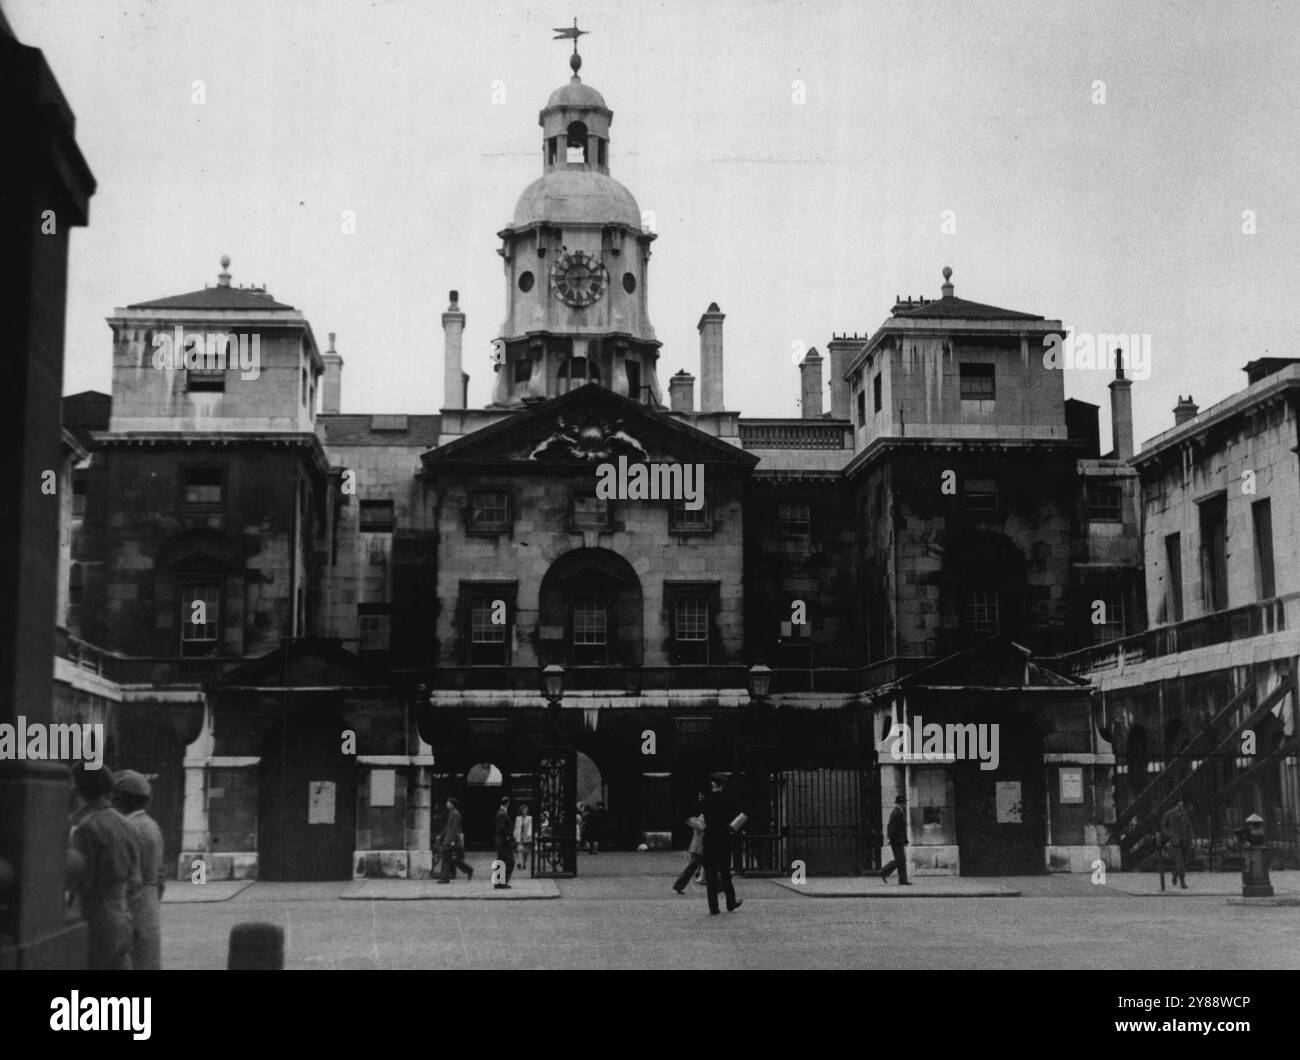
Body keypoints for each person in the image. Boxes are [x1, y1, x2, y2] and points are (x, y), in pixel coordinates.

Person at [70, 765, 141, 969]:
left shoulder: (86, 827)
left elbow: (84, 881)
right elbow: (136, 879)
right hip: (123, 911)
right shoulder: (128, 824)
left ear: (79, 788)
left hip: (96, 913)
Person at [113, 770, 165, 970]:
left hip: (134, 903)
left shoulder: (129, 827)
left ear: (124, 799)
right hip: (149, 901)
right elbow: (160, 876)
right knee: (148, 959)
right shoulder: (152, 825)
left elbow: (128, 875)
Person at [700, 772, 744, 914]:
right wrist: (732, 828)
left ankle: (714, 908)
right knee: (725, 873)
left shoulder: (705, 801)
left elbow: (698, 819)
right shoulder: (729, 800)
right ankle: (730, 903)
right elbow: (742, 815)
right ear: (723, 785)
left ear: (713, 784)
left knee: (711, 875)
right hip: (724, 838)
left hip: (709, 838)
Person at [673, 796, 707, 894]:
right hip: (699, 847)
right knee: (694, 867)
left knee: (698, 867)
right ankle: (678, 885)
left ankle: (679, 886)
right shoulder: (702, 817)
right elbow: (702, 827)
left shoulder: (697, 817)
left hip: (698, 847)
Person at [436, 797, 473, 884]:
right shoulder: (452, 813)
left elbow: (455, 829)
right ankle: (468, 870)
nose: (447, 804)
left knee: (448, 858)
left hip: (452, 841)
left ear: (452, 805)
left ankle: (445, 878)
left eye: (448, 803)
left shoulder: (456, 814)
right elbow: (447, 827)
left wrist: (452, 841)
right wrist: (441, 835)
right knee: (452, 859)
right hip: (448, 839)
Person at [1161, 796, 1195, 889]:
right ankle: (1182, 881)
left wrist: (1192, 837)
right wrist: (1170, 834)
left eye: (1182, 805)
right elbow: (1164, 827)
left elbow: (1189, 826)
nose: (1181, 807)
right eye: (1179, 805)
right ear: (1175, 806)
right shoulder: (1168, 814)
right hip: (1175, 841)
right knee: (1179, 862)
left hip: (1185, 841)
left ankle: (1175, 873)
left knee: (1184, 862)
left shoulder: (1185, 814)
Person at [881, 794, 912, 885]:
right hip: (896, 841)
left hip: (898, 840)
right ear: (900, 803)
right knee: (900, 860)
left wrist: (905, 840)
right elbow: (892, 827)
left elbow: (901, 828)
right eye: (904, 803)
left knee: (900, 860)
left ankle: (902, 880)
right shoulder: (896, 813)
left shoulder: (898, 812)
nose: (905, 805)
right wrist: (890, 838)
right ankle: (884, 871)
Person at [493, 796, 515, 889]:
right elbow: (502, 829)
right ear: (507, 803)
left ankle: (498, 882)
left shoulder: (500, 812)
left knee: (501, 861)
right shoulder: (502, 814)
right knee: (509, 861)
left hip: (500, 841)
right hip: (503, 842)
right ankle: (502, 881)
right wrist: (509, 837)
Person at [513, 803, 534, 871]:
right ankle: (519, 863)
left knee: (525, 852)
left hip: (527, 836)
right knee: (519, 850)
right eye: (523, 810)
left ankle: (524, 863)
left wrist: (529, 835)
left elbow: (530, 827)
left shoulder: (530, 818)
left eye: (525, 810)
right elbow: (516, 827)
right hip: (520, 836)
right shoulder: (518, 818)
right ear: (521, 811)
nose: (524, 811)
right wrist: (515, 836)